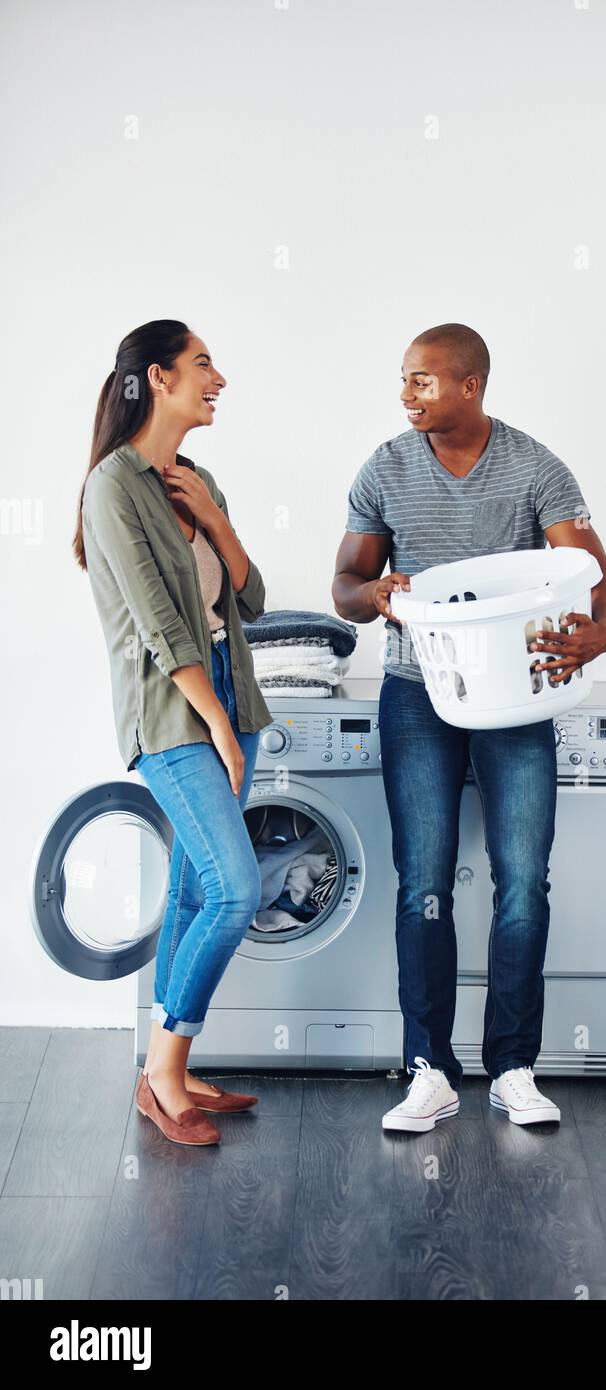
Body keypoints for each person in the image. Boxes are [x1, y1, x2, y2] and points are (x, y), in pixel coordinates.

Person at [333, 323, 606, 1132]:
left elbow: (599, 584)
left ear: (470, 385)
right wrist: (378, 593)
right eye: (403, 379)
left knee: (522, 882)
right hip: (415, 694)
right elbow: (345, 587)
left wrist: (596, 636)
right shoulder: (386, 468)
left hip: (517, 700)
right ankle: (428, 1068)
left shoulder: (534, 466)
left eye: (422, 380)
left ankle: (515, 1068)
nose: (406, 394)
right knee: (423, 885)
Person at [73, 319, 273, 1146]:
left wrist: (216, 522)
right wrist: (217, 725)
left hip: (232, 692)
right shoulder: (112, 486)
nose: (217, 377)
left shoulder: (197, 478)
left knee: (196, 892)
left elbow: (250, 601)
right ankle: (162, 1073)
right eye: (202, 364)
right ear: (157, 378)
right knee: (238, 890)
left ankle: (175, 1069)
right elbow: (161, 625)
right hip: (172, 710)